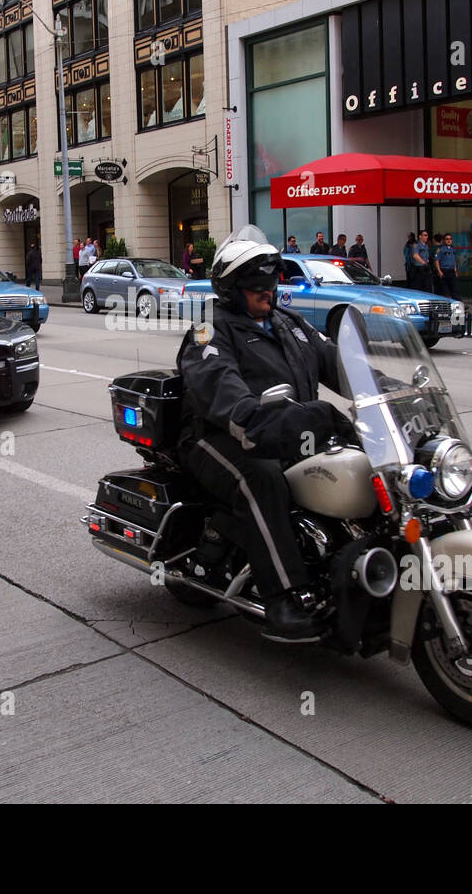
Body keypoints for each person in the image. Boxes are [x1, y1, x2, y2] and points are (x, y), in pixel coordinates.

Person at [177, 227, 351, 643]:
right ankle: (285, 595)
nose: (267, 292)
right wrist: (251, 414)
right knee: (262, 478)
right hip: (218, 436)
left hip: (285, 431)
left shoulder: (289, 324)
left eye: (270, 283)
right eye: (256, 286)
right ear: (232, 289)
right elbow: (221, 386)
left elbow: (338, 364)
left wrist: (389, 390)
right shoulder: (208, 329)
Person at [435, 233, 460, 300]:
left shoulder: (453, 249)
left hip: (452, 271)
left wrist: (455, 270)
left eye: (450, 239)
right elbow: (437, 261)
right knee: (445, 291)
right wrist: (439, 271)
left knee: (455, 289)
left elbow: (454, 260)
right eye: (447, 239)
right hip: (444, 271)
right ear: (444, 240)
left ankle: (458, 304)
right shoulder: (441, 249)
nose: (449, 240)